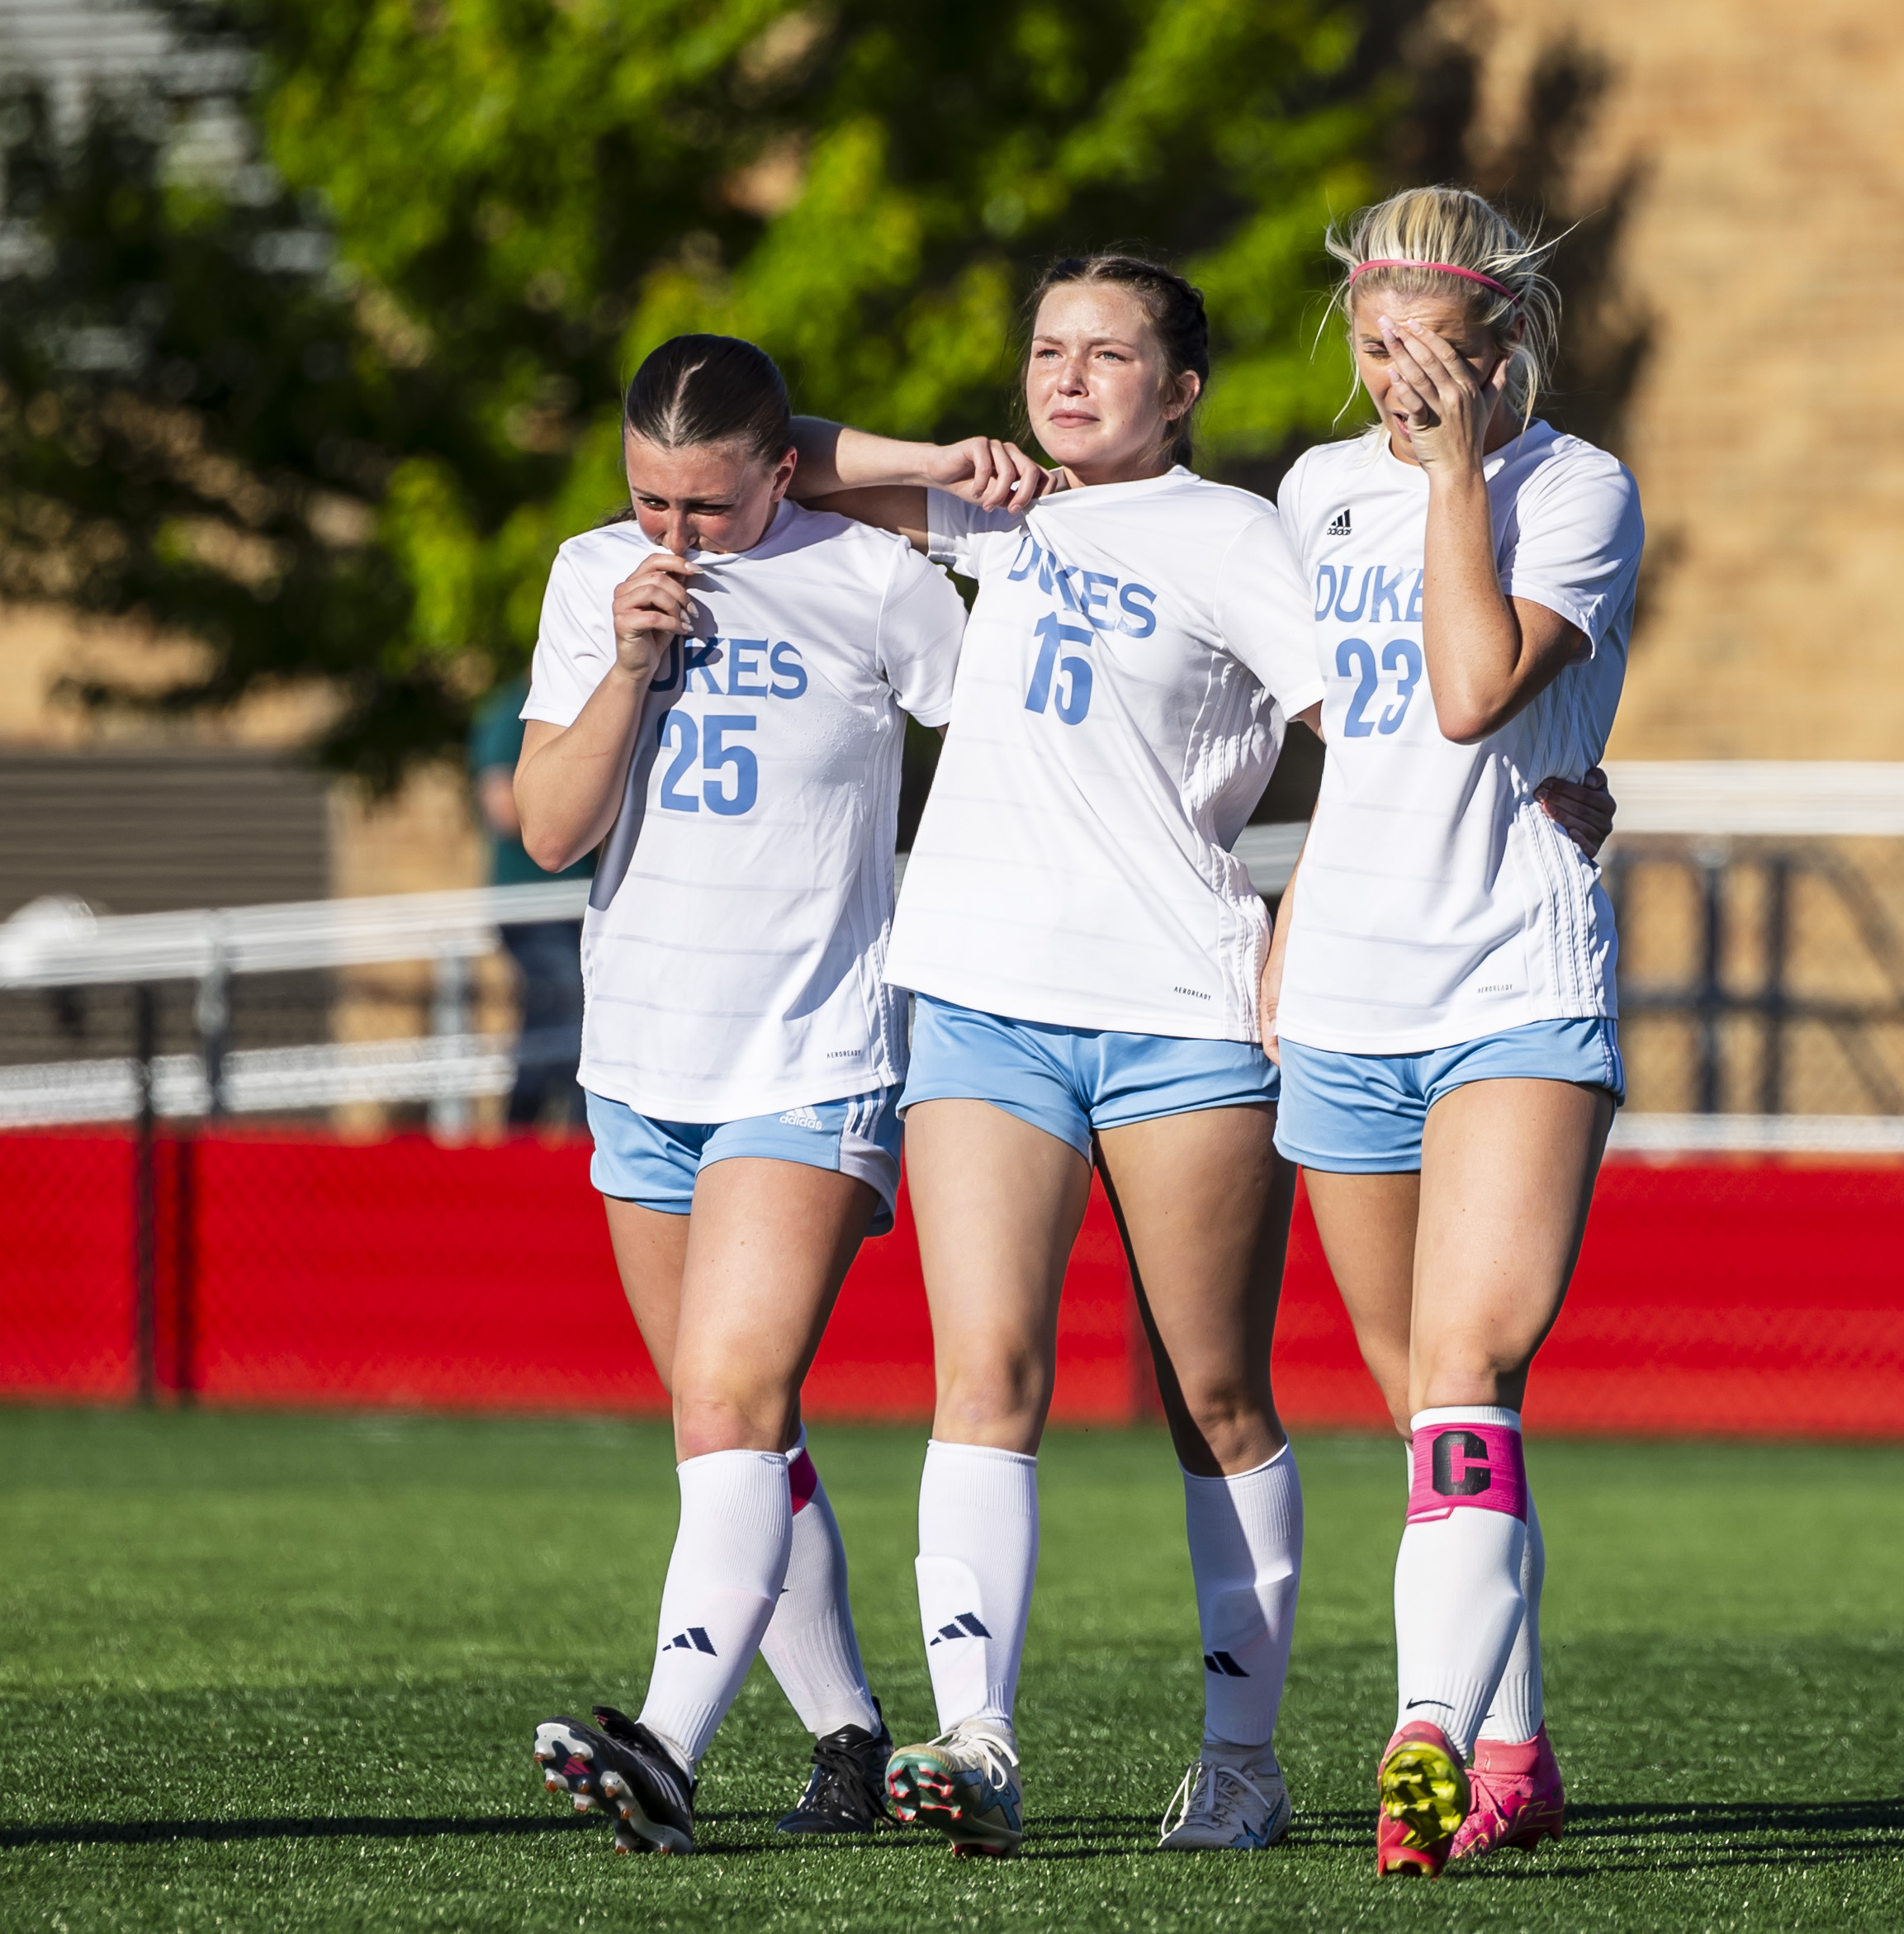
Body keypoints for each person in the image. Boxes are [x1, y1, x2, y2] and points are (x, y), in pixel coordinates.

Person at [780, 253, 1621, 1860]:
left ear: (1183, 390)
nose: (1067, 376)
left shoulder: (1251, 534)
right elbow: (772, 452)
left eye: (1110, 354)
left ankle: (1243, 1762)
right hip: (980, 999)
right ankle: (980, 1741)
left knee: (1217, 1395)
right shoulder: (989, 509)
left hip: (1187, 1010)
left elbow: (1395, 712)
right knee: (986, 1373)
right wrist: (932, 462)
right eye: (1046, 349)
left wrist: (1561, 783)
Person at [522, 335, 968, 1855]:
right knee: (735, 1437)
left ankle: (662, 1744)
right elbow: (547, 827)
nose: (672, 534)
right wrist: (631, 658)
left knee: (729, 1396)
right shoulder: (593, 576)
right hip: (642, 1062)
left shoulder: (875, 579)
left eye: (706, 506)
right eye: (649, 498)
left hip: (814, 1052)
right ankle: (849, 1735)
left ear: (784, 468)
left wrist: (908, 468)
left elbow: (1028, 741)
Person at [1260, 185, 1644, 1879]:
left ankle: (1420, 1735)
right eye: (1366, 322)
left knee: (1470, 1370)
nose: (1385, 354)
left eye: (1417, 327)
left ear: (1499, 336)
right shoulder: (1312, 490)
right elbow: (1356, 738)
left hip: (1514, 978)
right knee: (1429, 1406)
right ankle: (1511, 1743)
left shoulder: (1576, 487)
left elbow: (1475, 686)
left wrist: (1454, 479)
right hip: (1346, 985)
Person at [466, 675, 592, 1130]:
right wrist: (573, 807)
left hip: (577, 906)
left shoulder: (595, 699)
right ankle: (546, 1133)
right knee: (569, 1007)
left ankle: (529, 1135)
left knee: (551, 1017)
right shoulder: (512, 708)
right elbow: (502, 806)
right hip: (529, 906)